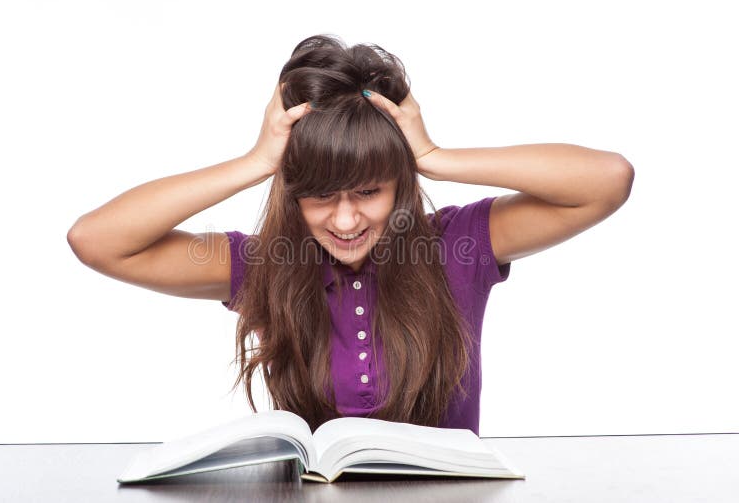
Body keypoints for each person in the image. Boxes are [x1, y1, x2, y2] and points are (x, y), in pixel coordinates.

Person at [67, 34, 634, 435]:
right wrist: (257, 160)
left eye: (367, 192)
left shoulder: (455, 245)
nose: (344, 221)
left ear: (399, 185)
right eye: (320, 196)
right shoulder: (269, 264)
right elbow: (97, 240)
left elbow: (607, 180)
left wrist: (435, 156)